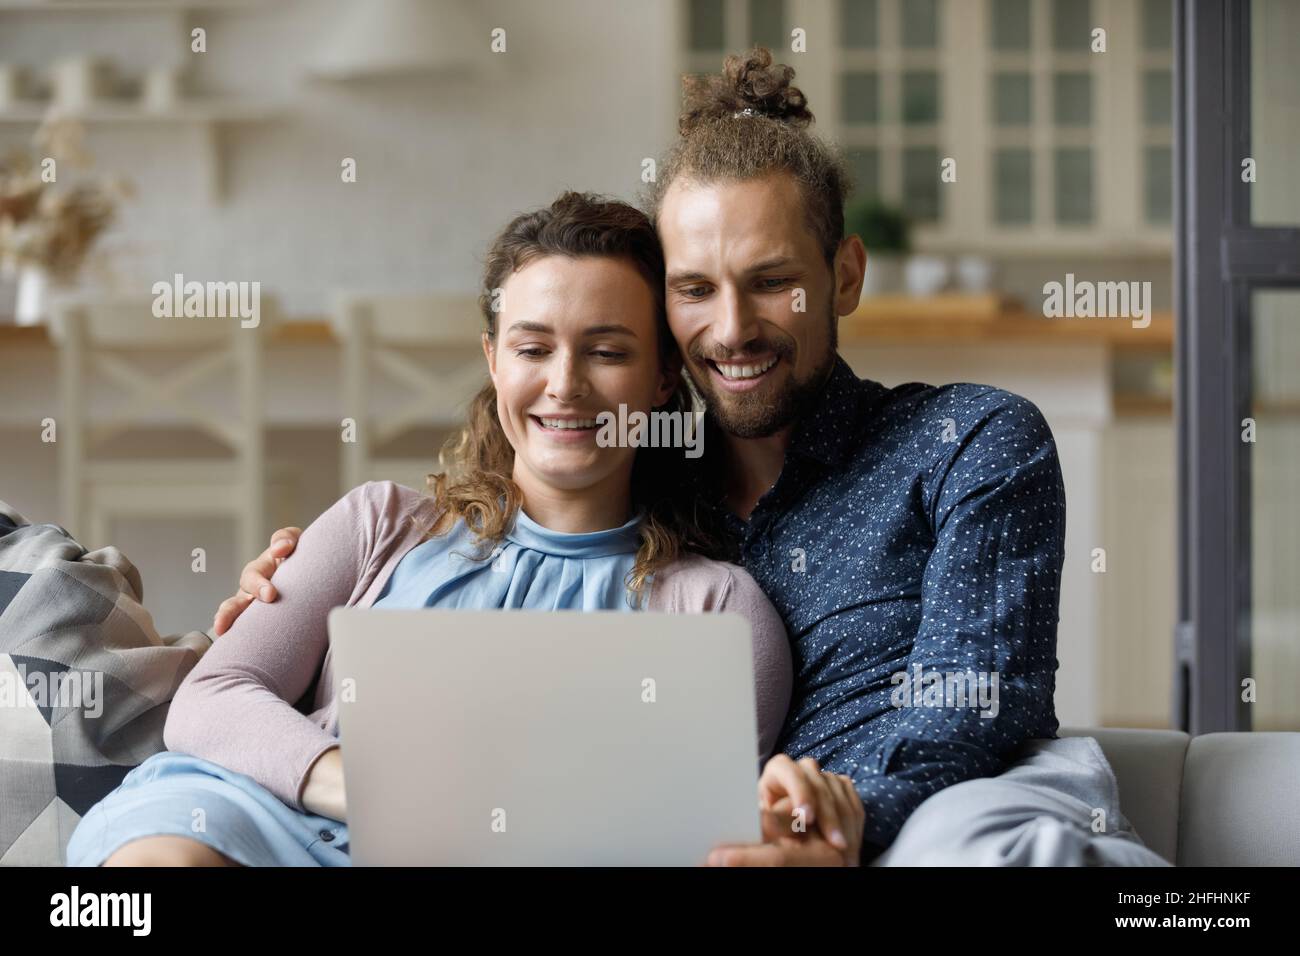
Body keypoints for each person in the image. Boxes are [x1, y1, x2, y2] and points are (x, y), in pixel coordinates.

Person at [223, 48, 1170, 867]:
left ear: (844, 275)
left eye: (772, 284)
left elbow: (976, 696)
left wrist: (843, 814)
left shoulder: (968, 441)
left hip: (946, 810)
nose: (732, 329)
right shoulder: (632, 484)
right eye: (693, 290)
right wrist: (309, 606)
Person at [65, 192, 860, 868]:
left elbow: (696, 833)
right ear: (492, 360)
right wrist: (363, 786)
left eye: (607, 351)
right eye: (532, 347)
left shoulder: (717, 608)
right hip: (276, 821)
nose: (564, 384)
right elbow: (210, 700)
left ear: (659, 380)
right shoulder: (380, 523)